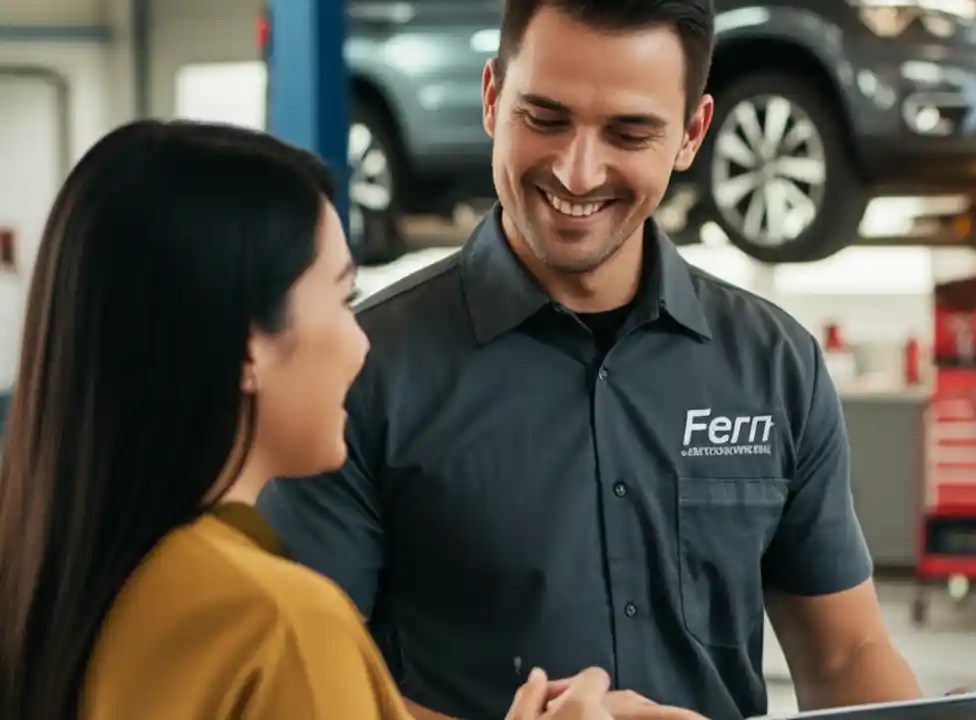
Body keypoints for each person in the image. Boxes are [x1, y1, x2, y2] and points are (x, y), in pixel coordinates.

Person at [258, 0, 924, 718]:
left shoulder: (774, 364)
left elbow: (845, 653)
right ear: (491, 99)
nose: (577, 173)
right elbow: (305, 689)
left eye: (629, 132)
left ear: (692, 134)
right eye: (544, 120)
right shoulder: (358, 372)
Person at [0, 119, 613, 720]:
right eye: (342, 298)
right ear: (248, 345)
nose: (361, 344)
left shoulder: (58, 580)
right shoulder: (280, 624)